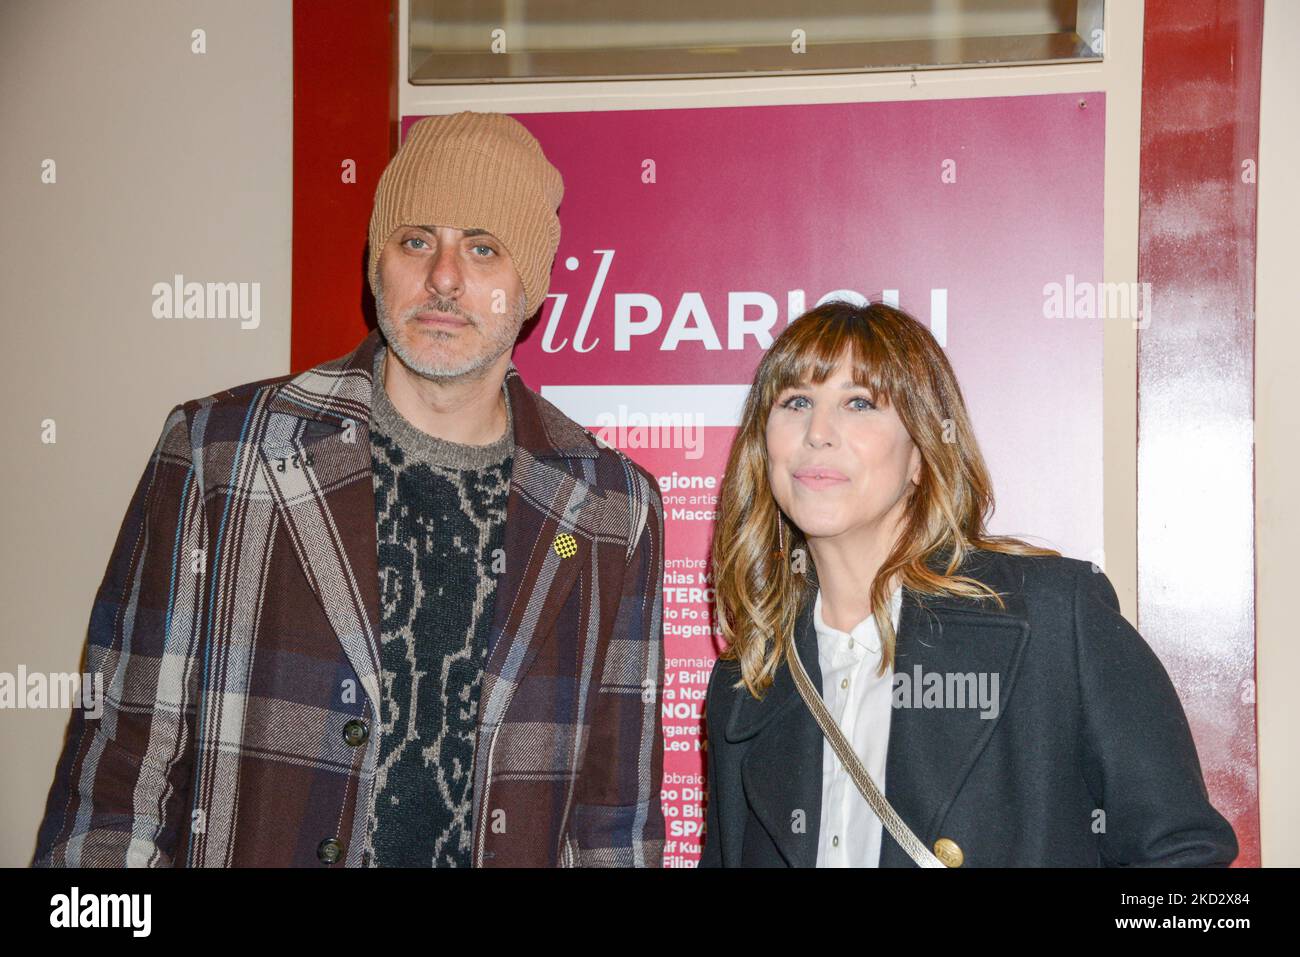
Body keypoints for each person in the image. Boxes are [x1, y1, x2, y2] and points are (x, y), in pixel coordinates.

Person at [32, 111, 666, 868]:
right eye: (416, 240)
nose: (444, 276)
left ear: (528, 288)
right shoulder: (221, 455)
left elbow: (612, 825)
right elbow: (117, 780)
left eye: (484, 247)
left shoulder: (609, 510)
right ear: (379, 263)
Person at [698, 300, 1237, 867]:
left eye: (859, 403)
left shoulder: (1052, 617)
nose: (817, 433)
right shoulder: (748, 678)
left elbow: (1185, 859)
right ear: (764, 446)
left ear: (922, 452)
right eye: (796, 402)